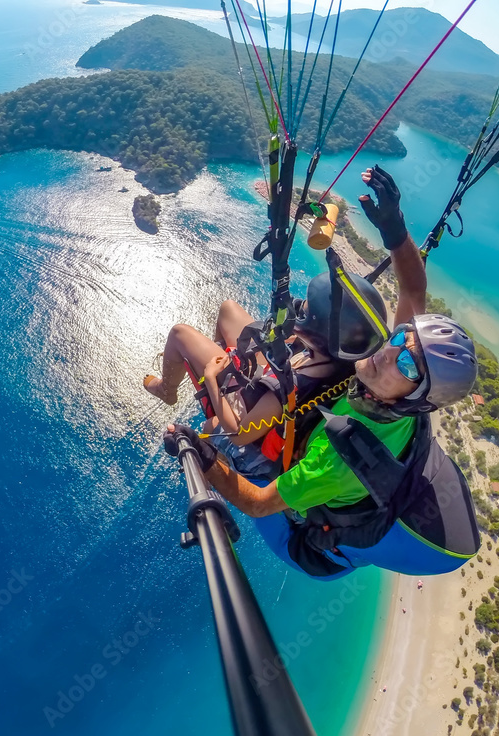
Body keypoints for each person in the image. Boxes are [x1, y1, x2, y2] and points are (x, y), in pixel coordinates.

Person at [163, 166, 481, 579]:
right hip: (307, 426)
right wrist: (395, 230)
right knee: (235, 327)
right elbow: (413, 291)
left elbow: (258, 502)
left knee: (218, 428)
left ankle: (200, 396)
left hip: (300, 544)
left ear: (414, 397)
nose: (390, 353)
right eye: (401, 340)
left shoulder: (339, 458)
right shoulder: (389, 375)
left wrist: (206, 458)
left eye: (407, 363)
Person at [144, 239, 387, 480]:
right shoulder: (338, 359)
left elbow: (239, 434)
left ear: (319, 333)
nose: (298, 308)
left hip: (247, 430)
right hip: (263, 384)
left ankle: (167, 390)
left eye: (304, 310)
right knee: (229, 309)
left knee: (180, 333)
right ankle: (218, 356)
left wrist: (209, 378)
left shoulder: (286, 389)